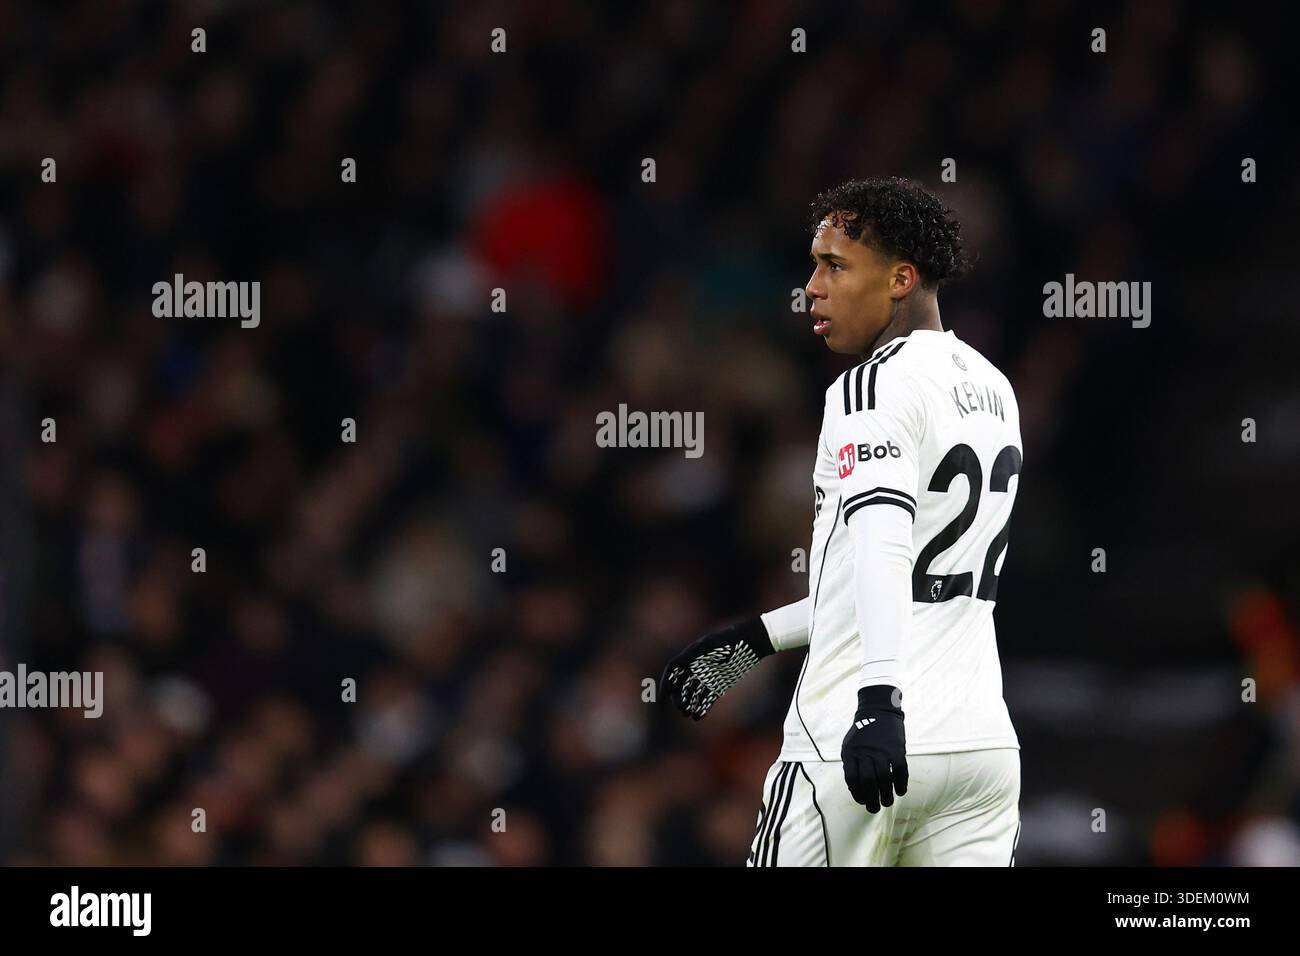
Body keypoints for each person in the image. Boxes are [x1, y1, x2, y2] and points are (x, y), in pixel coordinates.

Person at [662, 177, 1023, 866]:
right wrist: (759, 637)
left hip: (852, 740)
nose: (811, 288)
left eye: (834, 265)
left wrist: (878, 700)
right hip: (978, 751)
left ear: (900, 278)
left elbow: (884, 548)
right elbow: (920, 576)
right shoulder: (994, 387)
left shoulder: (870, 386)